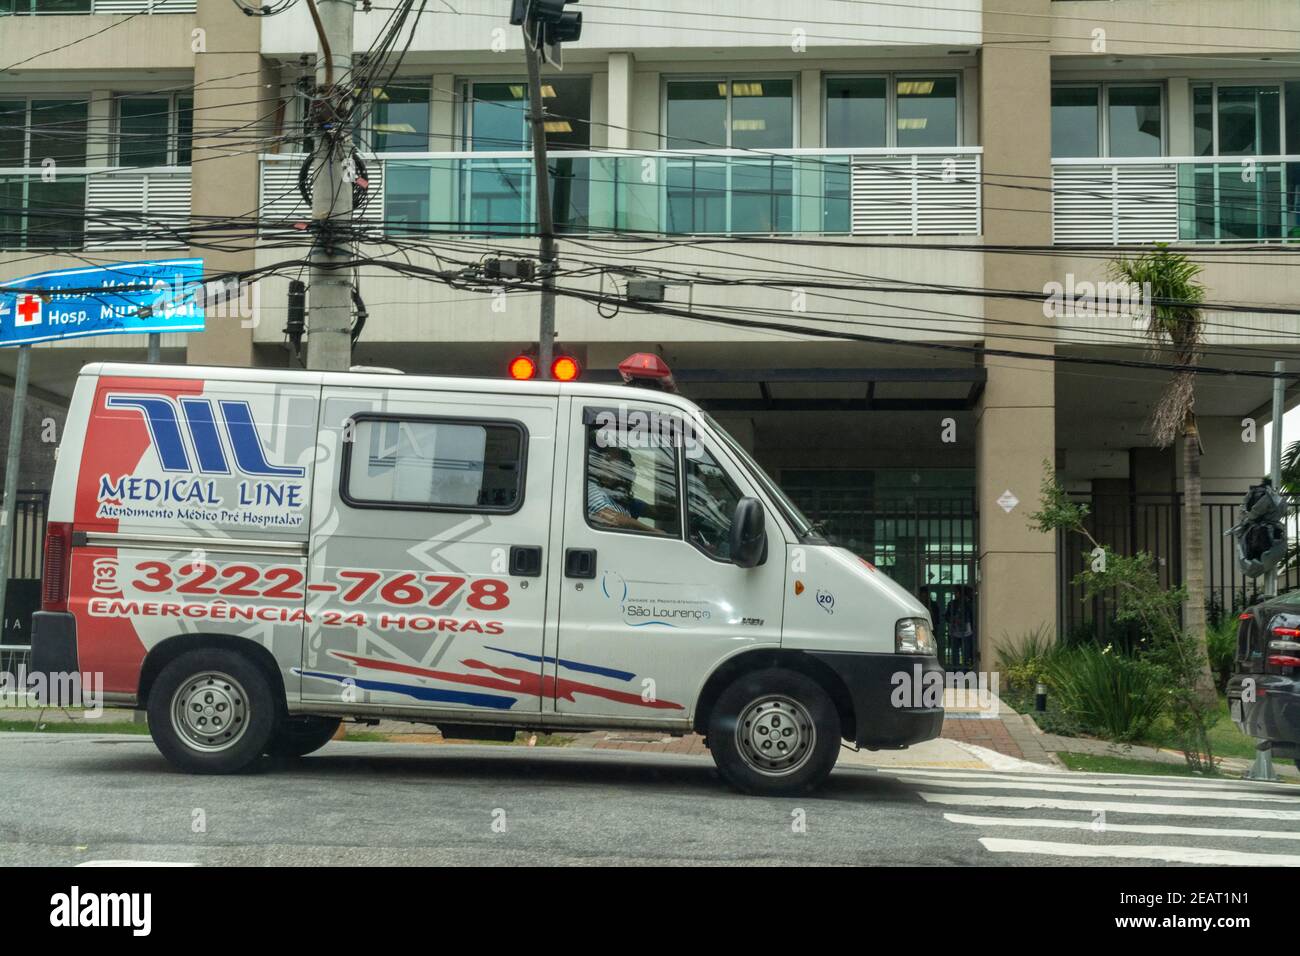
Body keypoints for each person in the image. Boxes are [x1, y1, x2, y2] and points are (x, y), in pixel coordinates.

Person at [586, 443, 677, 535]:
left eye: (618, 462)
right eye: (607, 460)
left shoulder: (620, 498)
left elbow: (653, 511)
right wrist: (656, 532)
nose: (611, 465)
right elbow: (613, 518)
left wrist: (685, 514)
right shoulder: (589, 489)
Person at [946, 585, 975, 669]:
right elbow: (947, 616)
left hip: (966, 631)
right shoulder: (951, 603)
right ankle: (956, 670)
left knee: (966, 652)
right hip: (955, 630)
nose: (955, 594)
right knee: (955, 653)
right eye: (955, 592)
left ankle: (964, 671)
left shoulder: (968, 603)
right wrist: (953, 619)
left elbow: (972, 616)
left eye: (956, 592)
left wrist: (962, 620)